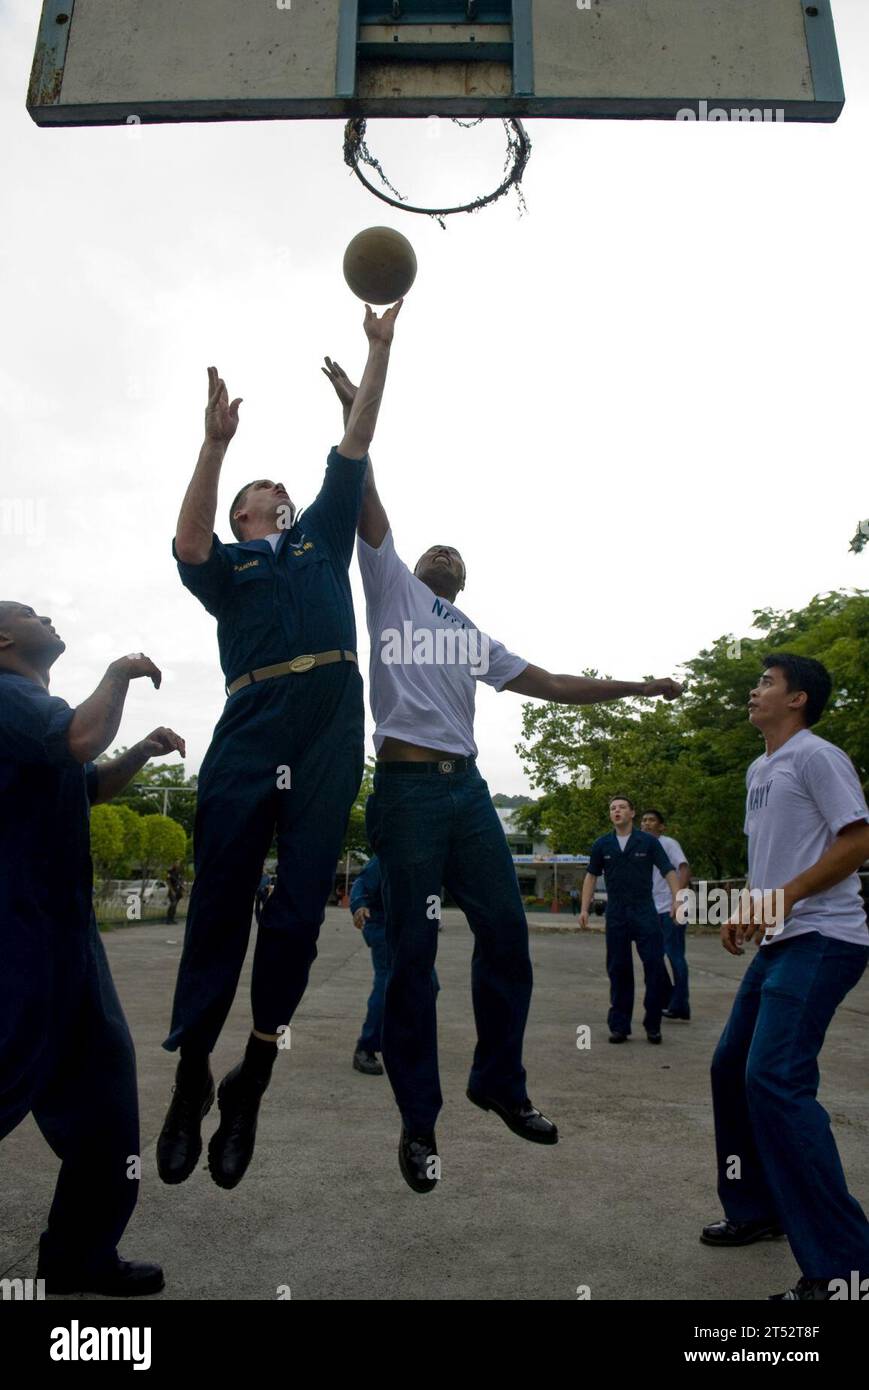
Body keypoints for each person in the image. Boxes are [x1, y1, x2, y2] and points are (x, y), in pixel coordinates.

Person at [324, 348, 683, 1193]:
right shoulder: (390, 589)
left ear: (463, 578)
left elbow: (555, 684)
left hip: (469, 793)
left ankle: (499, 1082)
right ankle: (419, 1121)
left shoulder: (471, 635)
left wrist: (641, 682)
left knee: (508, 938)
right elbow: (366, 496)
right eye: (432, 548)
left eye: (454, 551)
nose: (440, 552)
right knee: (413, 954)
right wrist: (355, 409)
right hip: (408, 794)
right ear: (413, 569)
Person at [157, 301, 401, 1193]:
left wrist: (378, 355)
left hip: (330, 725)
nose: (281, 499)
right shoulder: (228, 567)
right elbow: (187, 539)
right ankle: (190, 1079)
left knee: (297, 911)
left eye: (281, 495)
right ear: (244, 514)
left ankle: (252, 1071)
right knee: (219, 900)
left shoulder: (317, 542)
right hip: (251, 726)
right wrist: (215, 444)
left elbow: (356, 448)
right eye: (264, 499)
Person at [0, 601, 184, 1296]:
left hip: (68, 941)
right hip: (15, 939)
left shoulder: (31, 721)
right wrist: (118, 672)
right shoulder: (8, 696)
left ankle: (79, 1256)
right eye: (30, 612)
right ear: (3, 638)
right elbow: (81, 737)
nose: (47, 616)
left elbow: (89, 781)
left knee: (105, 1102)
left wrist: (138, 751)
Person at [701, 654, 869, 1302]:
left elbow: (856, 841)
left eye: (766, 682)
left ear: (796, 698)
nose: (753, 690)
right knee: (729, 1068)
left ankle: (845, 1269)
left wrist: (785, 898)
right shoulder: (759, 769)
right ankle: (756, 1209)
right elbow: (776, 860)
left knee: (773, 1079)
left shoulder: (814, 757)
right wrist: (752, 907)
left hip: (825, 938)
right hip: (782, 939)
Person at [580, 797, 681, 1044]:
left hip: (645, 911)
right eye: (613, 808)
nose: (617, 811)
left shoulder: (647, 842)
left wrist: (678, 900)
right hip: (616, 914)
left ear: (632, 813)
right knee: (618, 969)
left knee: (654, 967)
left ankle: (653, 1025)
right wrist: (584, 908)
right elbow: (591, 877)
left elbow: (668, 870)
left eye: (622, 807)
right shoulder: (602, 844)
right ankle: (620, 1026)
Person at [350, 854, 439, 1076]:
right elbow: (361, 884)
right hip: (383, 927)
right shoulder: (387, 855)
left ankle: (405, 1040)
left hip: (412, 930)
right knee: (388, 984)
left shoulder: (429, 859)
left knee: (429, 984)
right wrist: (359, 905)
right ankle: (366, 1047)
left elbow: (433, 896)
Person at [640, 809, 691, 1020]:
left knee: (674, 954)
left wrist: (678, 900)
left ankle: (680, 1005)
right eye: (643, 820)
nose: (647, 823)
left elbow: (684, 868)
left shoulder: (669, 844)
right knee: (653, 957)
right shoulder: (640, 847)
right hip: (651, 910)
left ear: (662, 826)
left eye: (652, 820)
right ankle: (670, 999)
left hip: (672, 907)